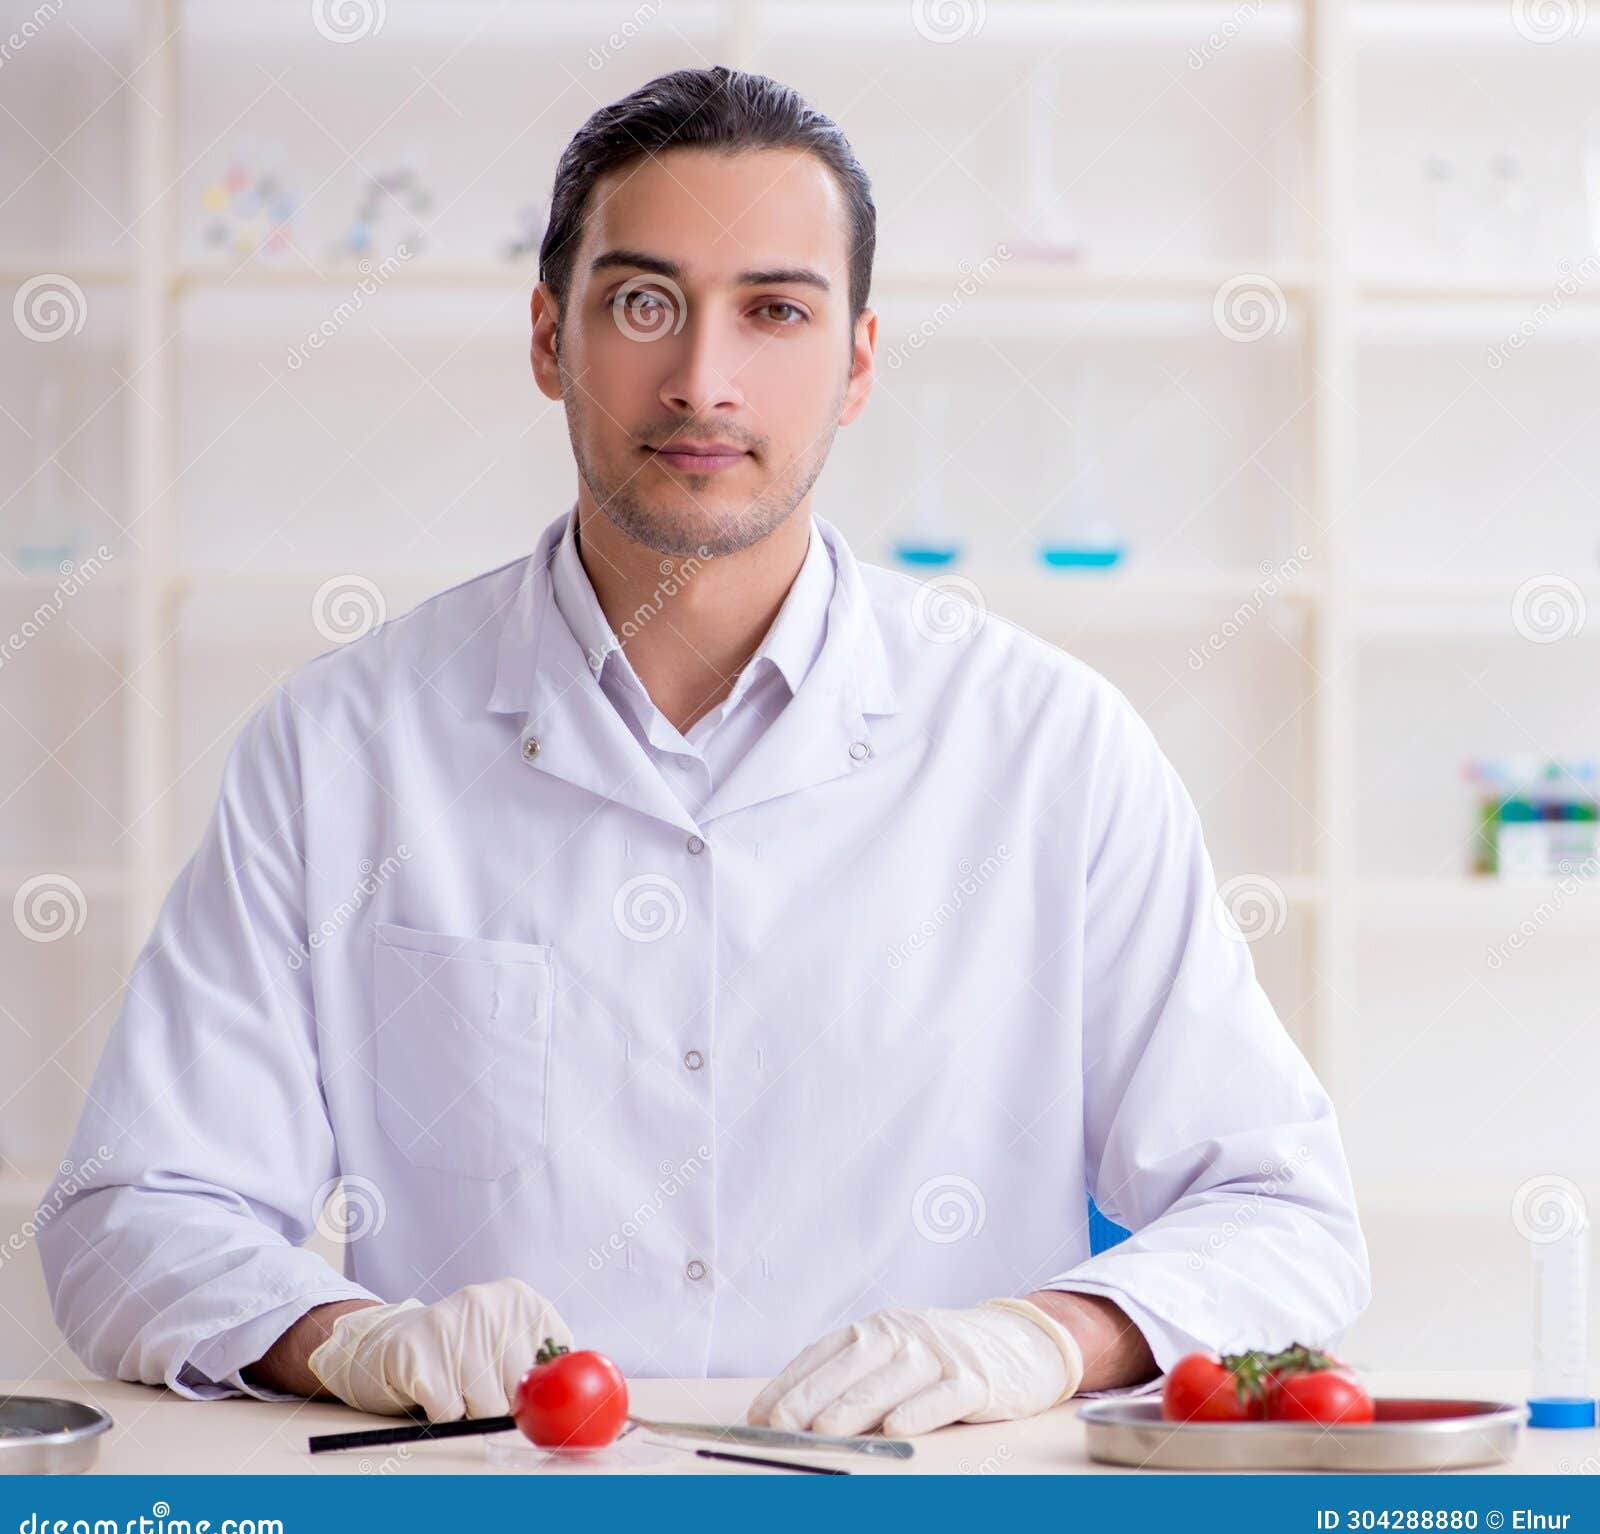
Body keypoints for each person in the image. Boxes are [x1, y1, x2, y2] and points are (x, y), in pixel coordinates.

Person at [40, 66, 1368, 1441]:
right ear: (550, 337)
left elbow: (1281, 1215)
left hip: (937, 1514)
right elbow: (133, 1213)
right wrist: (347, 1336)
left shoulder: (1051, 749)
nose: (702, 380)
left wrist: (1044, 1336)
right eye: (642, 303)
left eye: (776, 310)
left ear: (857, 363)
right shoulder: (339, 749)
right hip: (493, 1513)